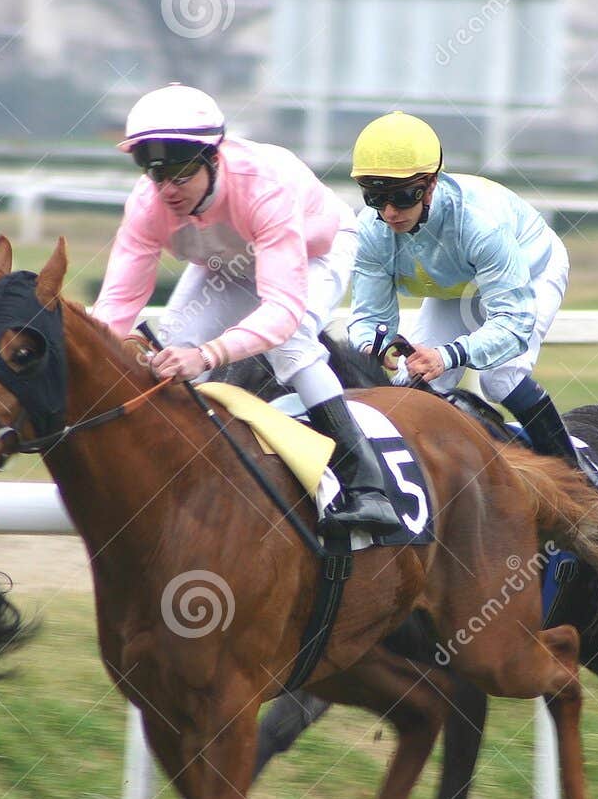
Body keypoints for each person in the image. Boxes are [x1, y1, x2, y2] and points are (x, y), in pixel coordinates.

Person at [92, 84, 399, 534]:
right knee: (172, 345)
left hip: (316, 251)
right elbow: (116, 306)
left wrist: (208, 355)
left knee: (290, 342)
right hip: (227, 261)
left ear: (213, 158)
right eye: (153, 172)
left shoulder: (262, 187)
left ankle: (367, 485)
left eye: (180, 172)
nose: (167, 188)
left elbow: (281, 313)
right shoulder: (146, 204)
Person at [345, 111, 576, 460]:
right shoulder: (370, 231)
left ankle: (577, 476)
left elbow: (512, 326)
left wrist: (447, 355)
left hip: (531, 271)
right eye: (375, 198)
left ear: (430, 185)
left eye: (403, 196)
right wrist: (371, 346)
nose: (390, 212)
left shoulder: (481, 225)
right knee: (413, 382)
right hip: (457, 285)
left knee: (500, 378)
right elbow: (369, 317)